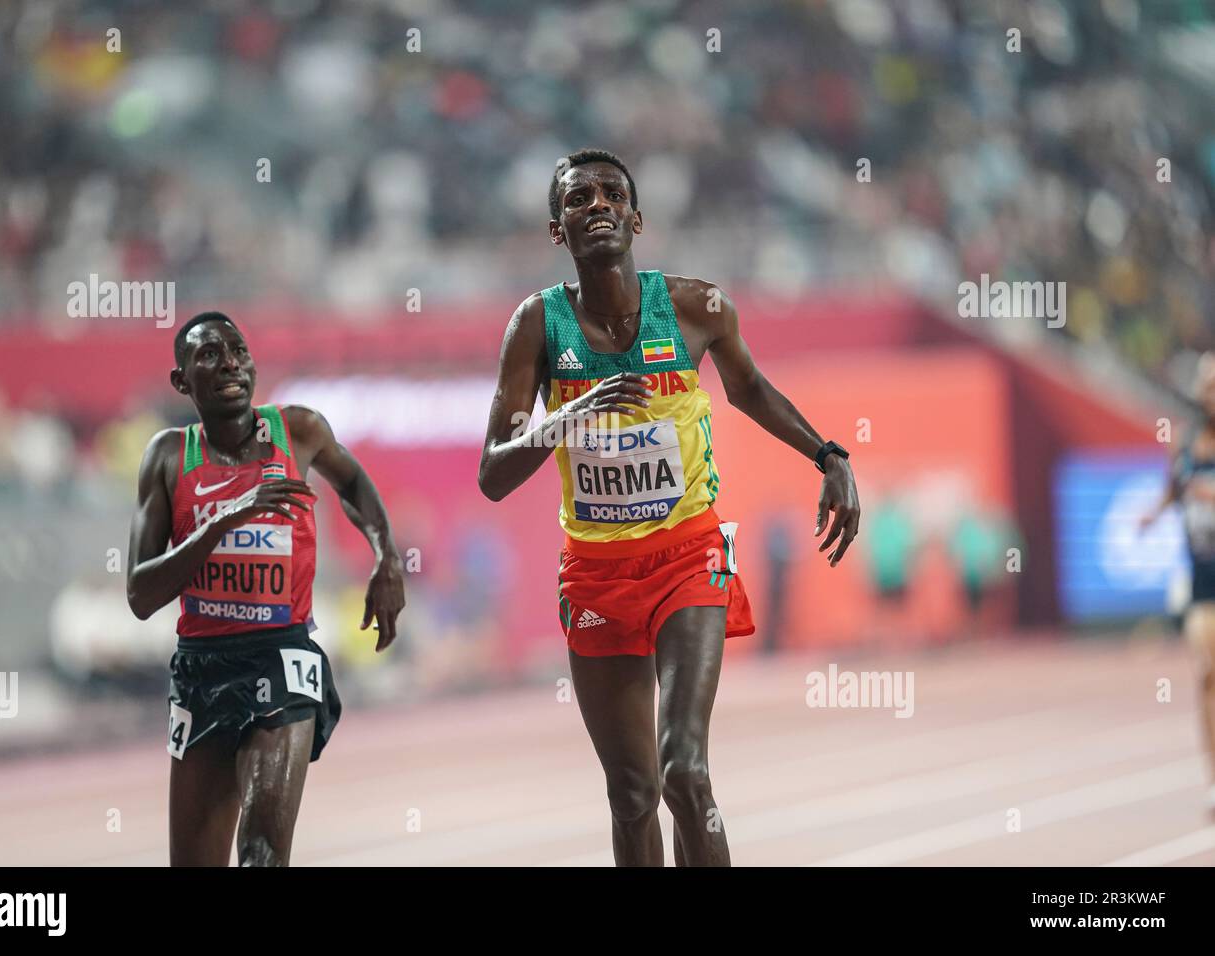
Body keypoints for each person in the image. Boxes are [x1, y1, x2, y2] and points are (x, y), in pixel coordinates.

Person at [478, 150, 860, 865]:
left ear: (636, 218)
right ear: (557, 229)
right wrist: (567, 415)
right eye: (578, 199)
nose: (596, 205)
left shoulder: (697, 308)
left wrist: (829, 455)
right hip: (595, 573)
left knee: (684, 771)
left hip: (689, 556)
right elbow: (493, 474)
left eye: (611, 194)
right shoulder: (536, 324)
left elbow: (750, 390)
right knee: (631, 797)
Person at [126, 311, 406, 865]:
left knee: (261, 854)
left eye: (239, 351)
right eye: (209, 354)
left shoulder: (297, 430)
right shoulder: (167, 456)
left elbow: (350, 480)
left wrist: (386, 554)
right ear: (183, 381)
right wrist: (220, 522)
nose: (230, 362)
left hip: (281, 656)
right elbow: (140, 594)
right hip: (201, 666)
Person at [1141, 352, 1215, 812]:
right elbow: (1174, 487)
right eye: (1208, 386)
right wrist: (1154, 512)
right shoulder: (1186, 445)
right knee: (1207, 676)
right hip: (1203, 582)